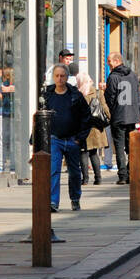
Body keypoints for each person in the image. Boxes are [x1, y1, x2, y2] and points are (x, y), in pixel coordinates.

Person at [46, 64, 92, 212]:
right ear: (53, 77)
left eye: (62, 76)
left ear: (67, 77)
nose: (59, 79)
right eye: (57, 76)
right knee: (54, 170)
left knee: (74, 172)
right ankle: (53, 202)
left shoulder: (75, 95)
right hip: (55, 139)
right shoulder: (47, 95)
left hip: (72, 139)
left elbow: (86, 116)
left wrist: (80, 138)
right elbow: (40, 116)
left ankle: (75, 198)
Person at [104, 52, 140, 184]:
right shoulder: (132, 75)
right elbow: (138, 95)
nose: (108, 63)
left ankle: (123, 176)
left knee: (119, 147)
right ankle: (132, 173)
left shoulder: (113, 77)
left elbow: (110, 98)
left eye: (109, 61)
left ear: (116, 61)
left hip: (119, 116)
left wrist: (112, 112)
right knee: (131, 146)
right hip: (132, 115)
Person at [75, 70, 107, 186]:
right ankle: (98, 178)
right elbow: (105, 109)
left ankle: (85, 179)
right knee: (94, 153)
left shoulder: (78, 94)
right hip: (96, 127)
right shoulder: (98, 93)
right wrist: (107, 120)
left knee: (83, 153)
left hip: (82, 128)